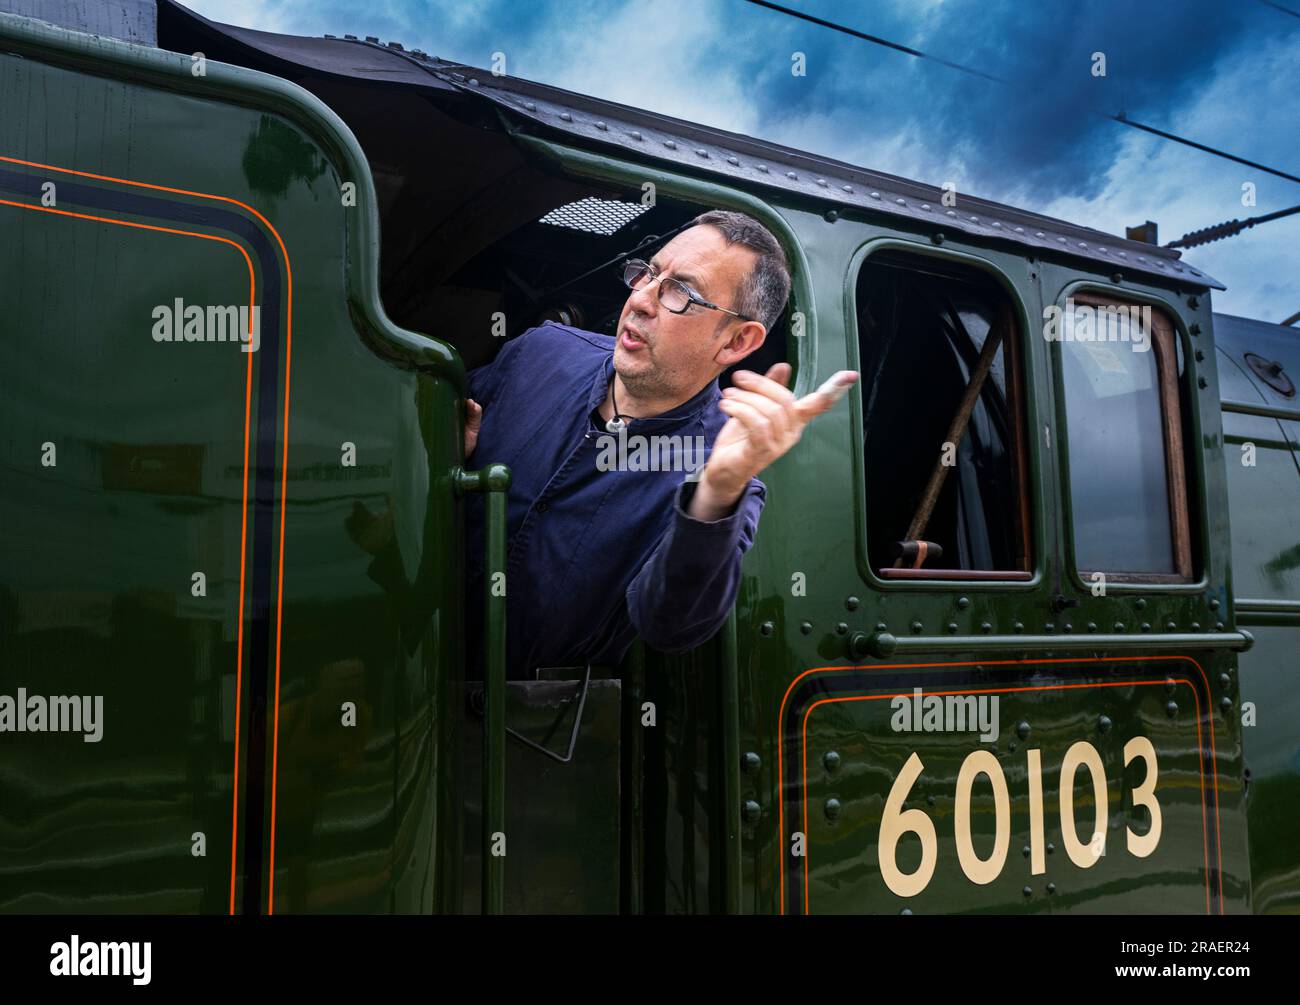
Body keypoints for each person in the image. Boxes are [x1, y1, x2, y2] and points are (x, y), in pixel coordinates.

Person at [463, 209, 856, 679]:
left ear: (735, 342)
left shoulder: (720, 479)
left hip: (512, 732)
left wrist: (715, 493)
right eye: (648, 273)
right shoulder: (538, 353)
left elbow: (670, 625)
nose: (642, 300)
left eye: (680, 293)